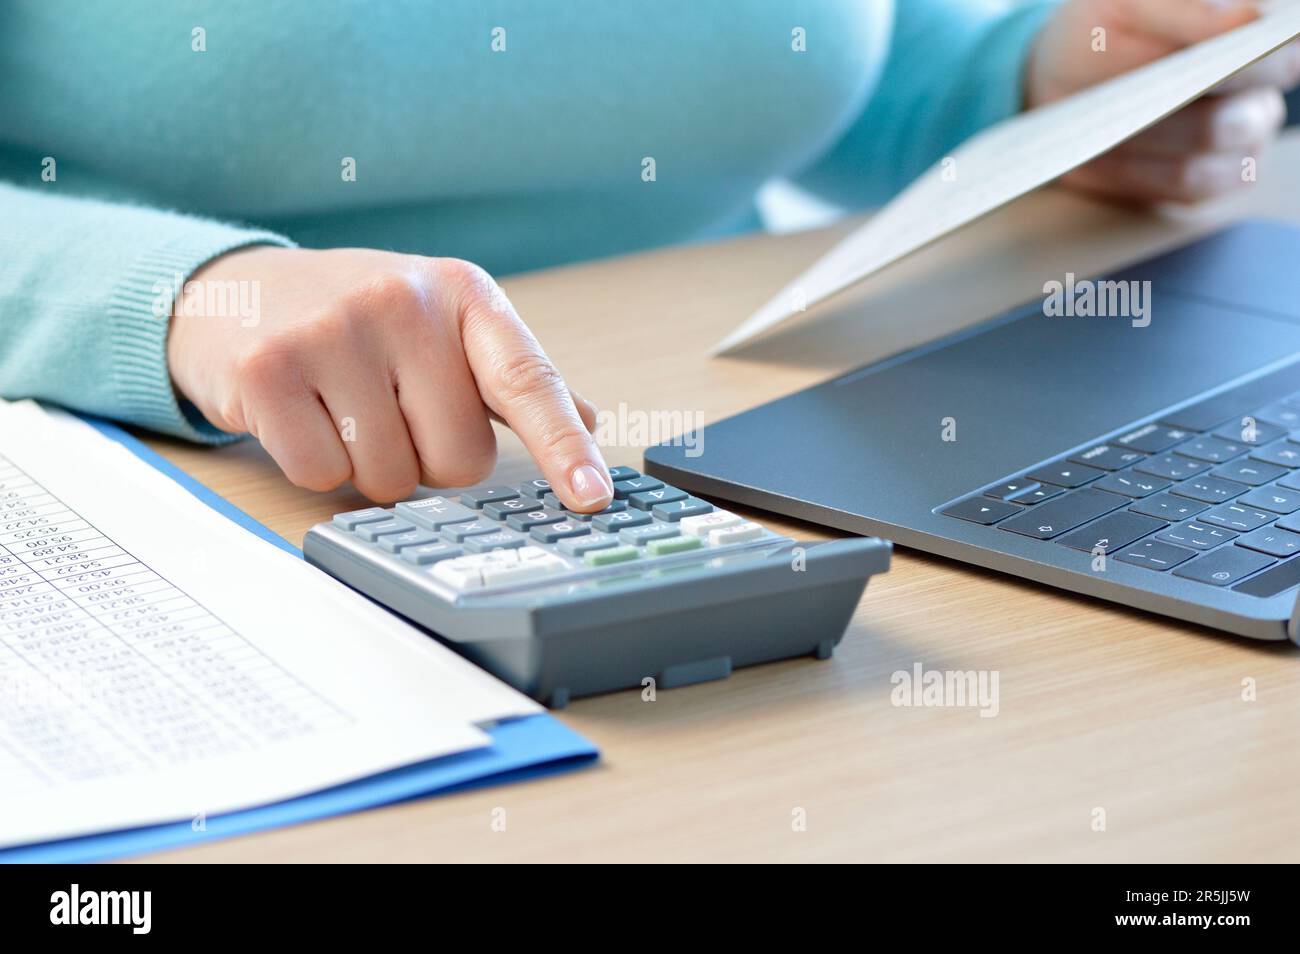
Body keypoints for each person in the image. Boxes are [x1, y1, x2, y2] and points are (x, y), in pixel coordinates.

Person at [2, 0, 1296, 510]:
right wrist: (184, 300)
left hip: (759, 442)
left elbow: (826, 50)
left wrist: (1021, 84)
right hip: (229, 481)